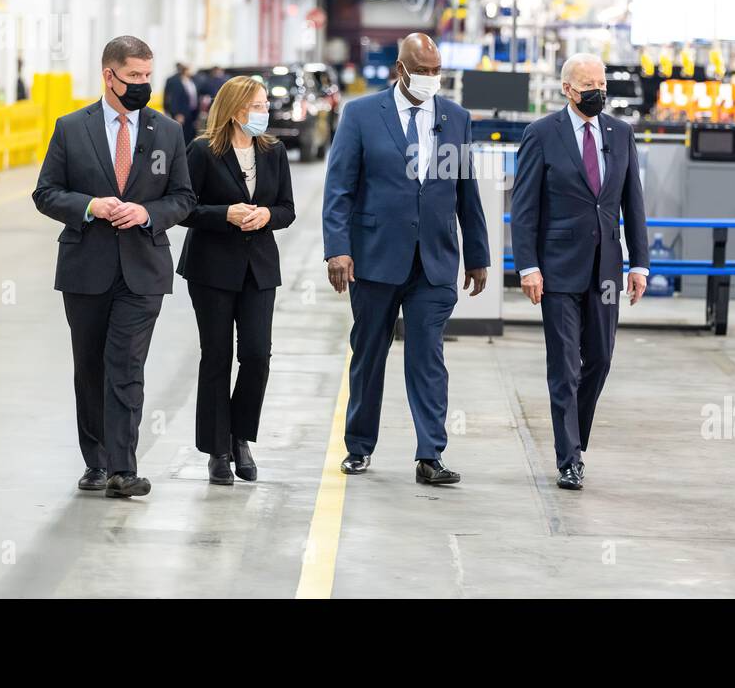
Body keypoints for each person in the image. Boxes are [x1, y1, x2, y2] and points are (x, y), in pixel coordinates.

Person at [322, 32, 489, 485]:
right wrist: (338, 248)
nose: (431, 79)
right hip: (375, 258)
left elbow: (466, 190)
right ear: (401, 70)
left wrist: (477, 254)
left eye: (437, 71)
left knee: (428, 357)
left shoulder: (455, 118)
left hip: (434, 260)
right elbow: (339, 188)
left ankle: (430, 454)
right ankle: (359, 446)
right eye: (423, 71)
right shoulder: (360, 114)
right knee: (368, 353)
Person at [32, 35, 195, 499]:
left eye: (148, 75)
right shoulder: (71, 128)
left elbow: (183, 197)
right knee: (90, 366)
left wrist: (146, 212)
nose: (143, 83)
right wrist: (90, 206)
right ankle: (96, 462)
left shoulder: (167, 132)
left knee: (126, 365)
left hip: (143, 268)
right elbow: (45, 193)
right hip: (86, 267)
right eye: (134, 76)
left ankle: (123, 468)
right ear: (109, 75)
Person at [510, 52, 650, 491]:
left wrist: (640, 263)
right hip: (557, 271)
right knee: (565, 366)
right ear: (567, 89)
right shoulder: (541, 134)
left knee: (601, 359)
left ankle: (576, 438)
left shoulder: (621, 134)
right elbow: (524, 209)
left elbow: (633, 203)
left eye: (602, 84)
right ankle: (568, 458)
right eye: (589, 86)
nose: (598, 92)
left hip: (606, 269)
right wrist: (528, 266)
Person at [178, 76, 295, 485]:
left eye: (265, 105)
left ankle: (240, 436)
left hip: (258, 268)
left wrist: (267, 215)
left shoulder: (274, 151)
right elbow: (183, 208)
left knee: (257, 355)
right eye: (257, 106)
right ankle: (218, 450)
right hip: (211, 268)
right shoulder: (202, 151)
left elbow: (287, 208)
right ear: (235, 110)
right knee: (216, 357)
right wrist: (223, 214)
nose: (264, 112)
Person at [162, 62, 199, 145]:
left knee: (190, 135)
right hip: (181, 113)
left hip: (192, 112)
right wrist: (177, 113)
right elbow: (174, 98)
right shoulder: (176, 81)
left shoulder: (192, 80)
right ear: (185, 70)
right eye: (190, 69)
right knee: (181, 135)